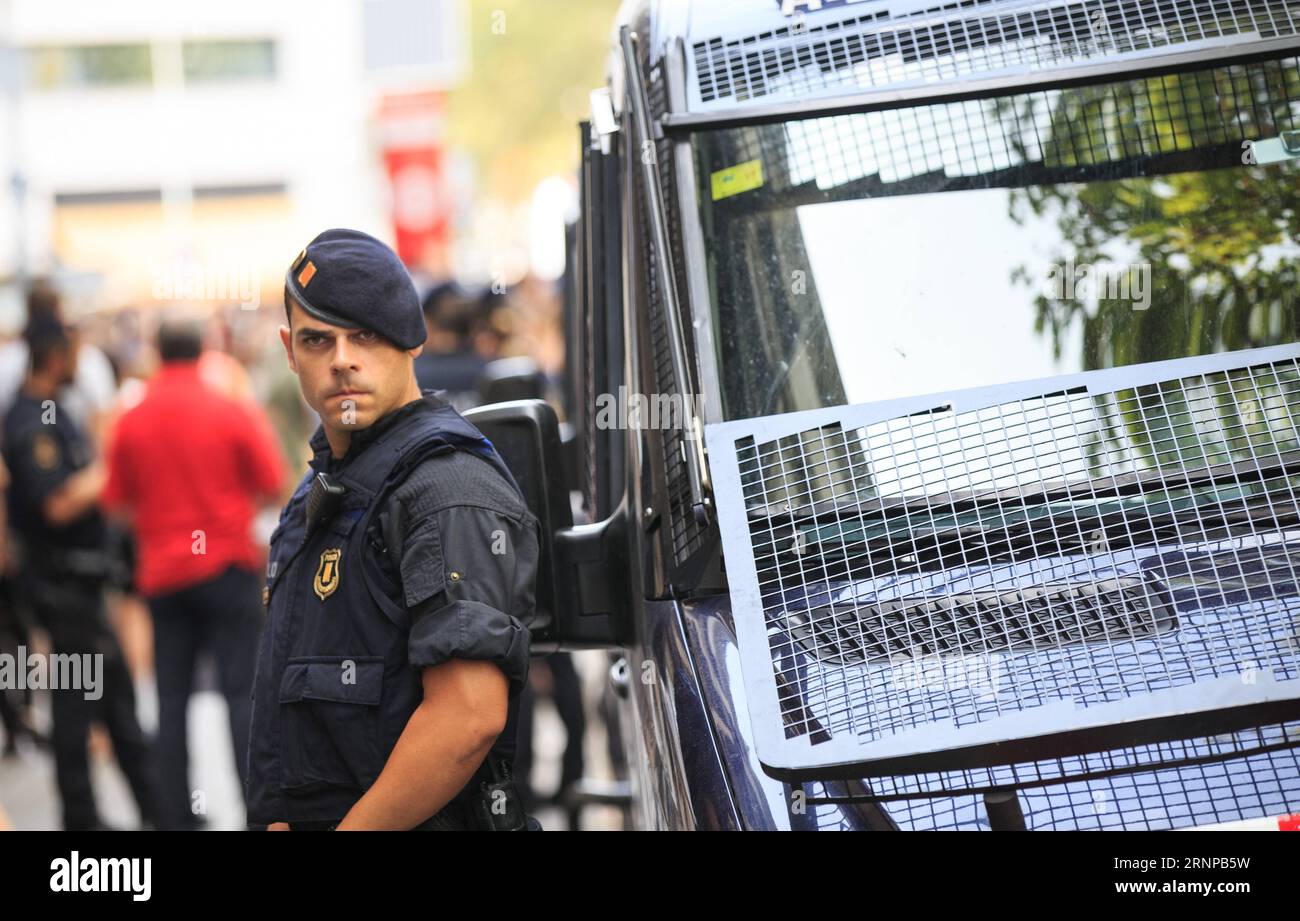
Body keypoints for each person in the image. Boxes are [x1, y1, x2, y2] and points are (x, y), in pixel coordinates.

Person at [246, 228, 541, 831]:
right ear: (288, 350)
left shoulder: (447, 487)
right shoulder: (320, 491)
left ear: (412, 338)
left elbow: (467, 718)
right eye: (317, 340)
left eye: (365, 335)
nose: (342, 359)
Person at [102, 317, 286, 830]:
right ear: (203, 350)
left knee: (170, 700)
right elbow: (272, 482)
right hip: (226, 566)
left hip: (163, 574)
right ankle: (258, 813)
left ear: (157, 352)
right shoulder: (228, 408)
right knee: (241, 694)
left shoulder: (132, 417)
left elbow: (115, 502)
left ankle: (175, 818)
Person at [1, 320, 157, 830]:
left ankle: (154, 811)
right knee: (76, 705)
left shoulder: (50, 412)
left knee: (113, 705)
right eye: (72, 354)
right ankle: (85, 818)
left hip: (82, 587)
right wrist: (111, 469)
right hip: (61, 588)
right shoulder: (29, 422)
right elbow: (57, 503)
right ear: (54, 357)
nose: (77, 363)